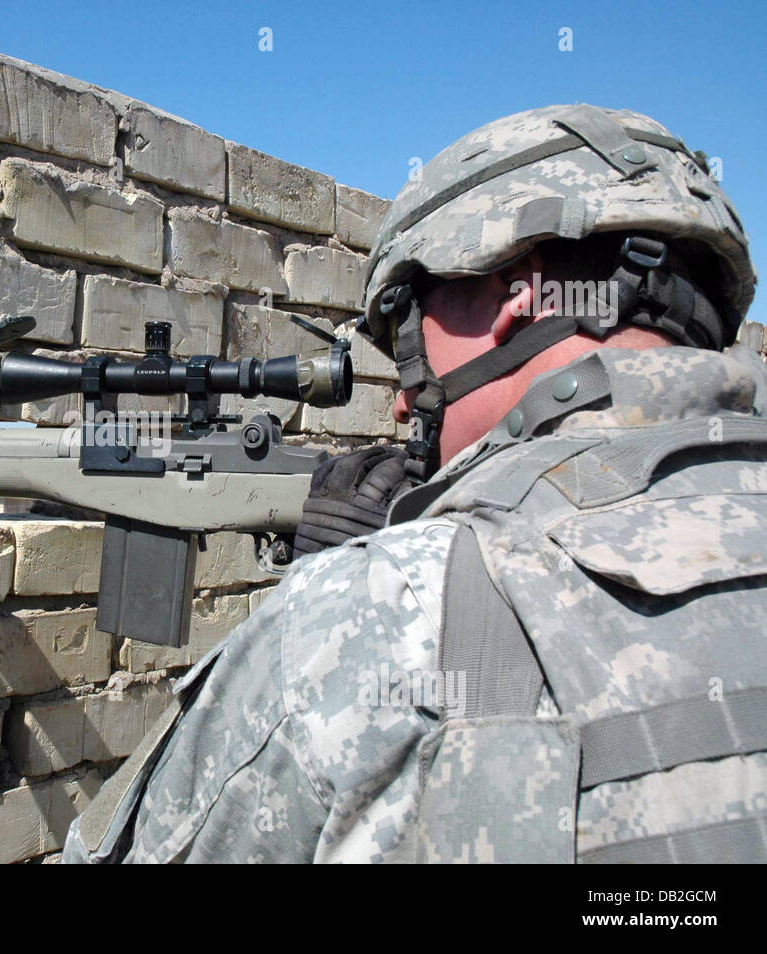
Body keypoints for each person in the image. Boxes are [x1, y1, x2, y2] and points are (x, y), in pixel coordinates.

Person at [63, 104, 767, 864]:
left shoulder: (365, 620)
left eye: (406, 326)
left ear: (520, 293)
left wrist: (369, 589)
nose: (403, 398)